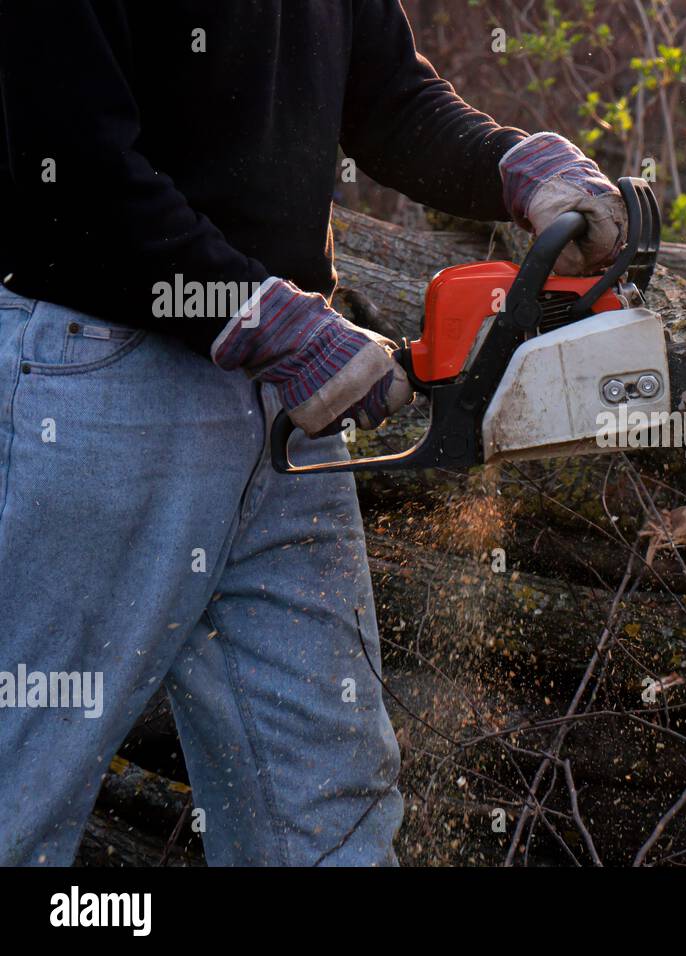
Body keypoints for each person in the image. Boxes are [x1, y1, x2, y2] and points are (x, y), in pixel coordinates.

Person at [0, 0, 625, 866]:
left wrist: (516, 167)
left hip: (281, 414)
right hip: (105, 386)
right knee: (24, 779)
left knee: (327, 804)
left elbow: (391, 99)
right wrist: (265, 320)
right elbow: (72, 171)